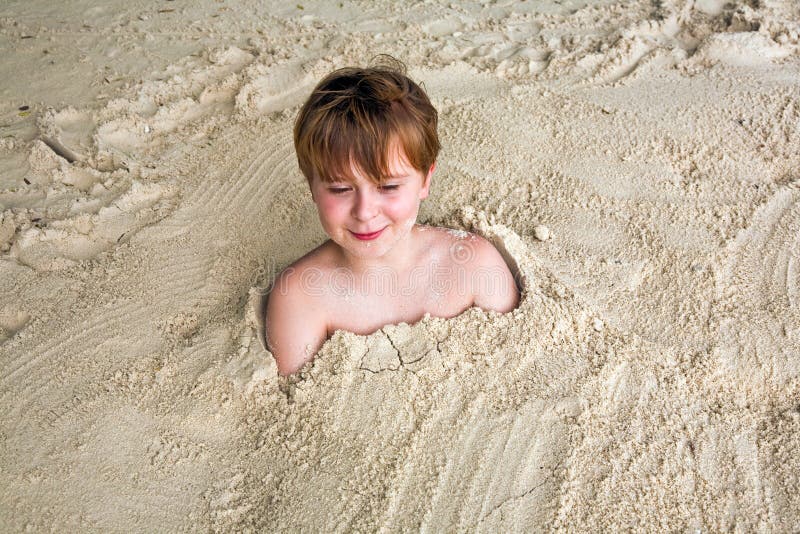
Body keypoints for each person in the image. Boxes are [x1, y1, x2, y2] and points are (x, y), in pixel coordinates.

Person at [265, 57, 519, 376]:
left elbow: (516, 368)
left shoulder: (473, 265)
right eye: (341, 189)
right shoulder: (301, 296)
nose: (365, 211)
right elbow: (295, 406)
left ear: (425, 180)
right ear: (312, 186)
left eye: (388, 186)